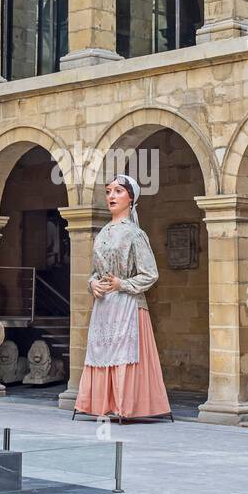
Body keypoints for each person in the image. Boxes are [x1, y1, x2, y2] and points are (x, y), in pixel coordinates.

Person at [74, 174, 171, 421]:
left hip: (127, 304)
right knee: (101, 351)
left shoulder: (135, 234)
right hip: (104, 305)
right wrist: (92, 283)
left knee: (123, 353)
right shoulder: (103, 232)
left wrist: (122, 284)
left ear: (131, 198)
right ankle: (100, 404)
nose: (111, 196)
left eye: (118, 191)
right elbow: (96, 270)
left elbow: (150, 274)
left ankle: (125, 405)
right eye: (108, 192)